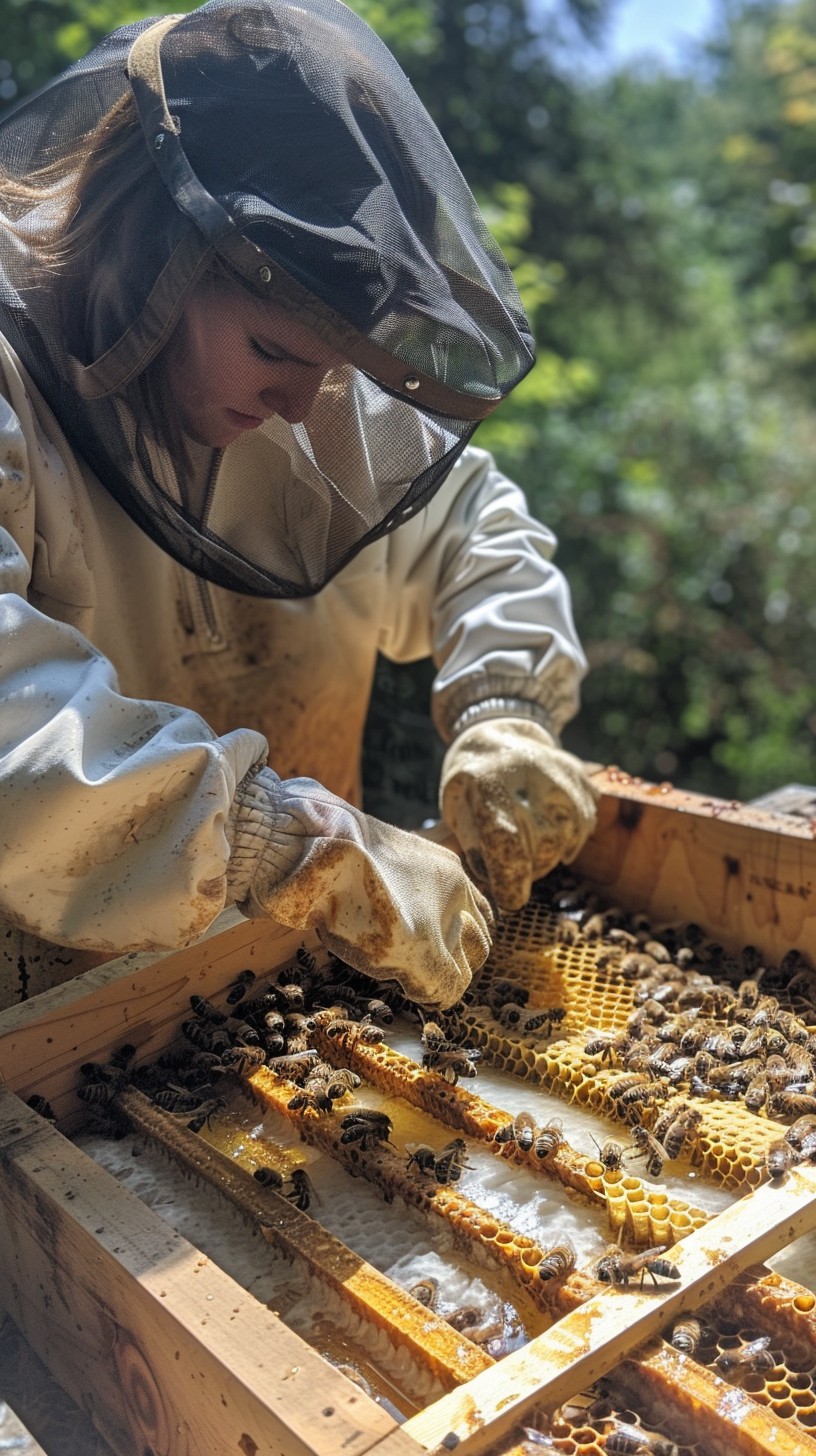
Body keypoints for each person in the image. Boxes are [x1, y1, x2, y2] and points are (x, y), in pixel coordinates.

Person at [0, 0, 598, 1015]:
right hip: (47, 1028)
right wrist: (279, 840)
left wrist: (506, 707)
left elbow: (472, 528)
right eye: (272, 348)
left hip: (314, 996)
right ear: (154, 258)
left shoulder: (316, 396)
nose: (298, 403)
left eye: (332, 365)